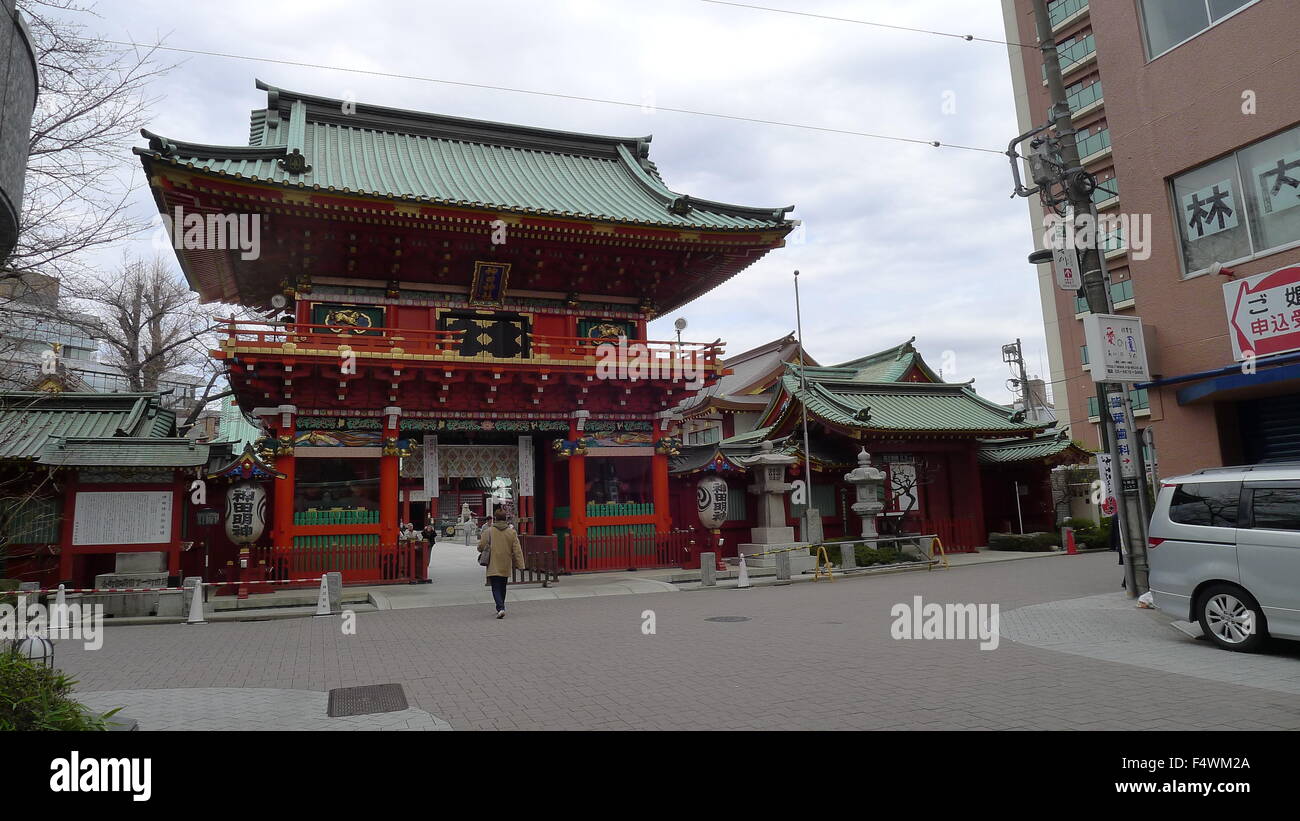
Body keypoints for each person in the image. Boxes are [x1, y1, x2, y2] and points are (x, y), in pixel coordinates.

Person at [479, 508, 525, 619]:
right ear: (505, 518)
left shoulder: (488, 531)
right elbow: (517, 550)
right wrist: (521, 564)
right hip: (505, 562)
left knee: (495, 587)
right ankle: (501, 606)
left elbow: (480, 546)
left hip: (493, 562)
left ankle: (500, 608)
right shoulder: (511, 532)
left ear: (495, 518)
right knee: (503, 586)